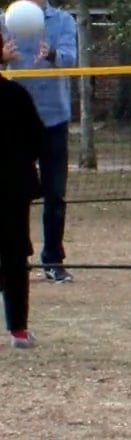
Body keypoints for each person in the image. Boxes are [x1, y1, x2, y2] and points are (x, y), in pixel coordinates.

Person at [1, 0, 78, 284]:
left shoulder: (62, 21)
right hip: (13, 123)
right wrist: (2, 57)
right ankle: (15, 256)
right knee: (11, 193)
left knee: (54, 194)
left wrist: (51, 56)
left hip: (52, 119)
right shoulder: (3, 21)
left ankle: (53, 260)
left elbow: (70, 57)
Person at [0, 72, 47, 348]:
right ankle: (18, 330)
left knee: (14, 258)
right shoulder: (16, 94)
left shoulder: (16, 94)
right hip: (13, 189)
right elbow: (37, 139)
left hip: (12, 187)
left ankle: (18, 328)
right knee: (14, 257)